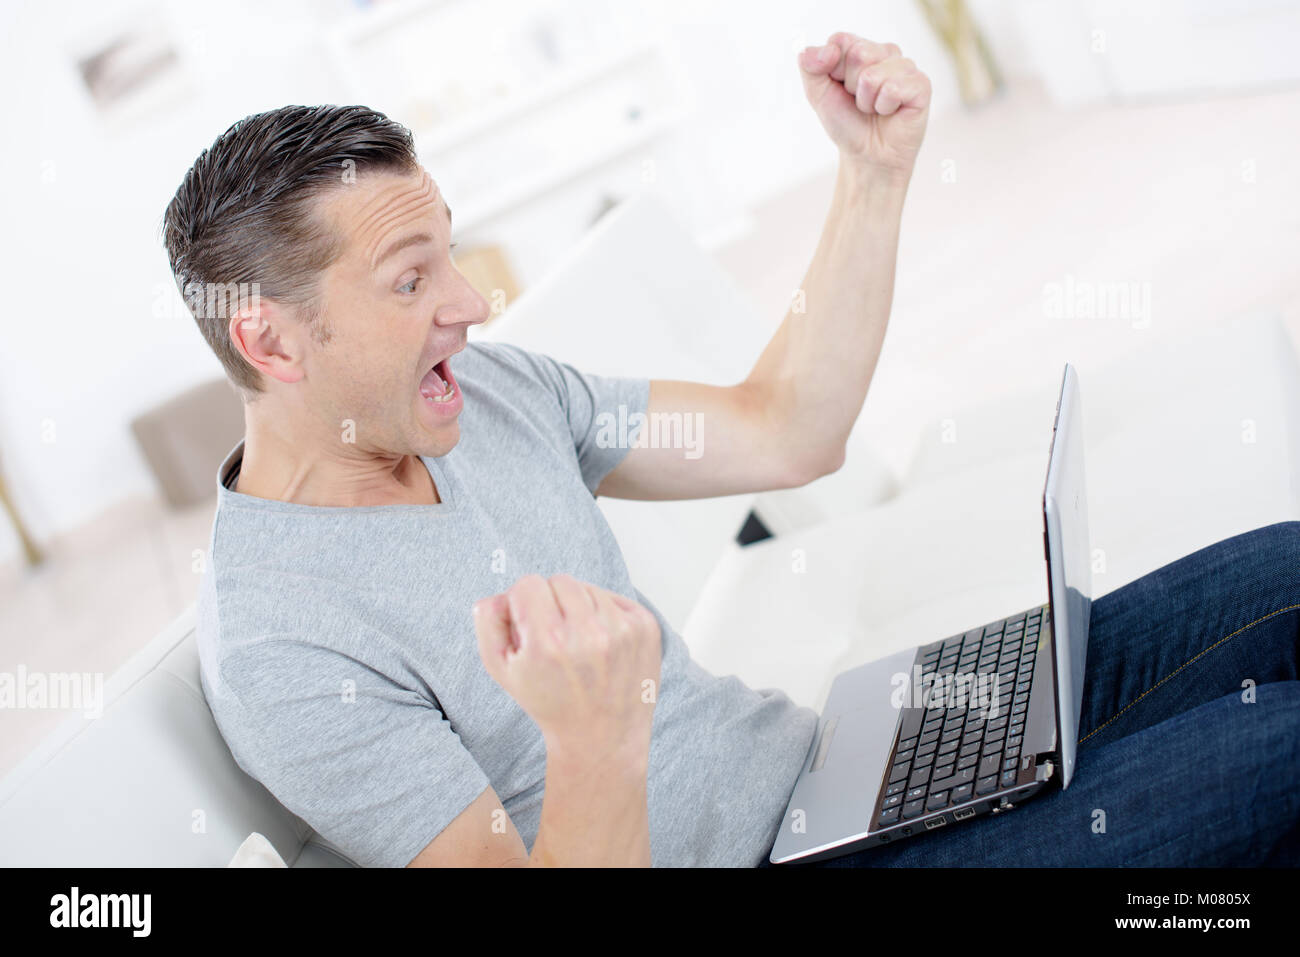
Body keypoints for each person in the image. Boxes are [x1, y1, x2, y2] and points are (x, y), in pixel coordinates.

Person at [165, 32, 1298, 867]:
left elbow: (786, 427)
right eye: (411, 279)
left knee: (1284, 573)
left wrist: (871, 174)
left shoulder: (488, 393)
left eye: (451, 253)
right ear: (270, 339)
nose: (468, 303)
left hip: (834, 765)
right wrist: (595, 734)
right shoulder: (283, 643)